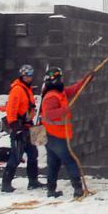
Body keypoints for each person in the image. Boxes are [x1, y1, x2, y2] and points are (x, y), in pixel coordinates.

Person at [40, 66, 94, 198]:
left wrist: (86, 79)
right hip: (54, 136)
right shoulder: (51, 97)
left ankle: (51, 190)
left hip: (54, 135)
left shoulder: (60, 92)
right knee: (70, 161)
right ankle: (77, 189)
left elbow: (75, 89)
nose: (60, 80)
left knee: (53, 163)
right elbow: (48, 114)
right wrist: (65, 110)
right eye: (58, 78)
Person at [1, 64, 44, 193]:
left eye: (31, 75)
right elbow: (11, 109)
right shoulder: (17, 90)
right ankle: (6, 183)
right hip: (19, 127)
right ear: (22, 76)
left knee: (33, 154)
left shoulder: (28, 89)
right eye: (27, 76)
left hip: (29, 125)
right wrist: (15, 126)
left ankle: (33, 181)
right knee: (16, 156)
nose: (29, 78)